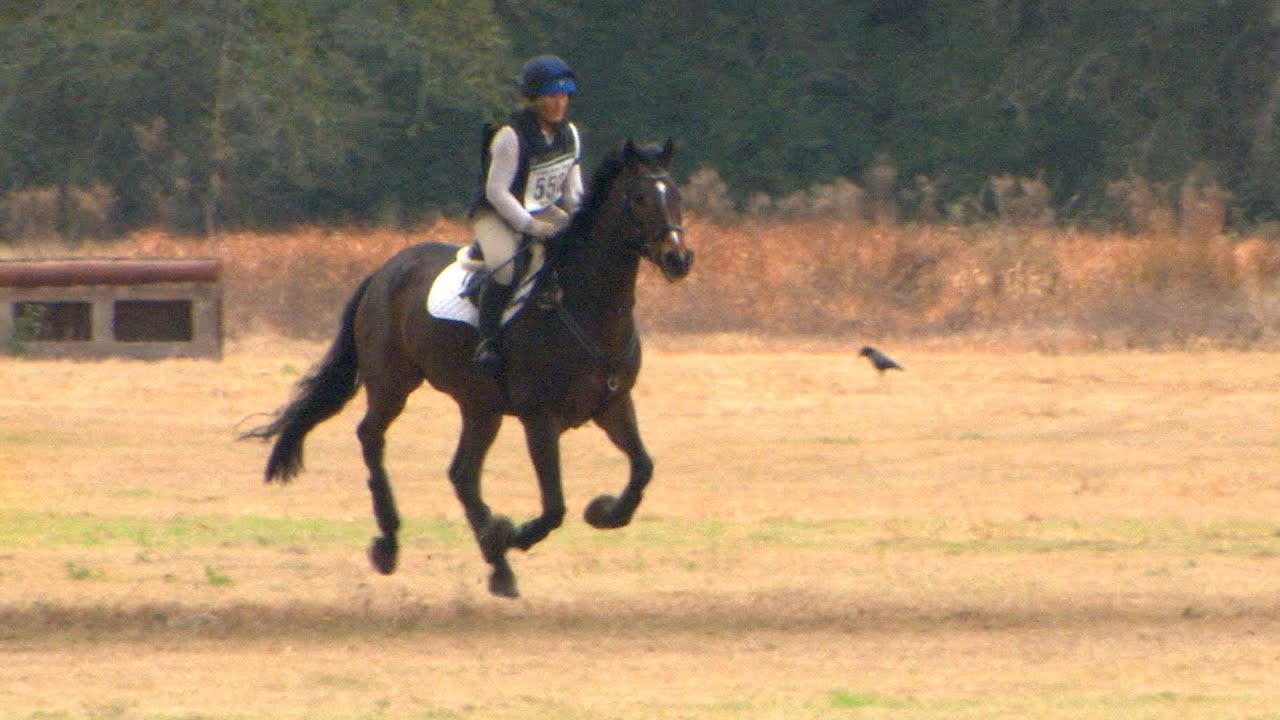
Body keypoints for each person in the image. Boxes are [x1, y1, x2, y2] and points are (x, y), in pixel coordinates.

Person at [469, 54, 584, 374]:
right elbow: (497, 191)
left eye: (563, 96)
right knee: (506, 269)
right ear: (534, 99)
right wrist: (528, 225)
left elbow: (573, 191)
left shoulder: (569, 134)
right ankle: (487, 341)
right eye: (550, 97)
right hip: (497, 213)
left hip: (542, 210)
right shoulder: (510, 135)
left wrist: (580, 220)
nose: (559, 104)